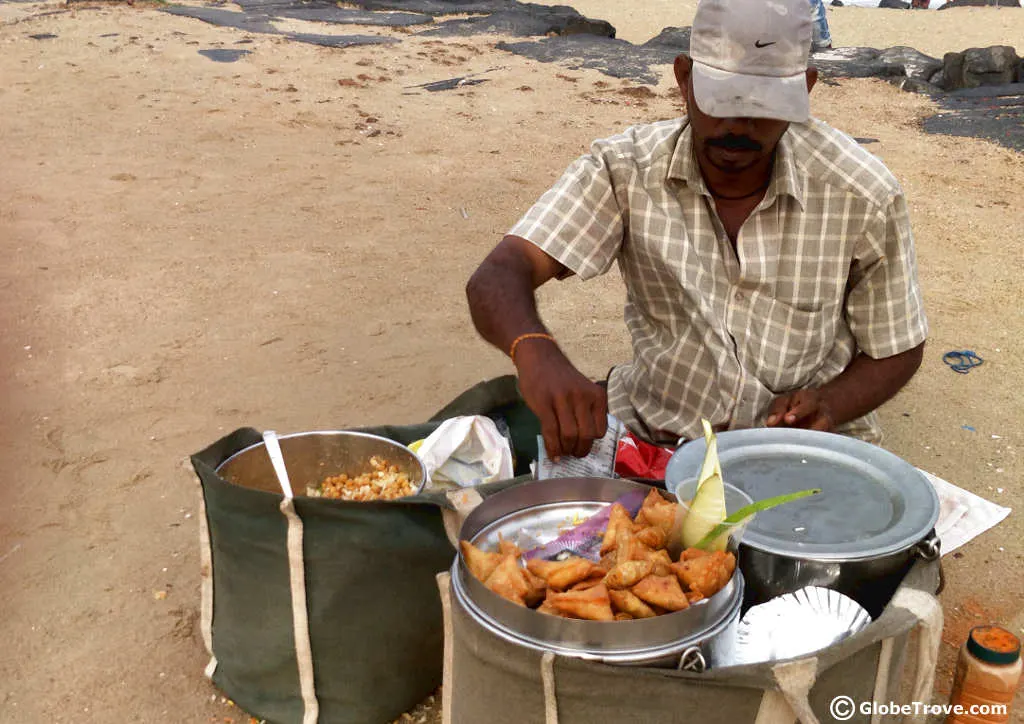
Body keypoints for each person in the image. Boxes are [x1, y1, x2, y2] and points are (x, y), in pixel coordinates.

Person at [465, 0, 927, 461]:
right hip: (657, 432)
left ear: (805, 90)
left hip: (800, 449)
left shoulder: (861, 191)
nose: (737, 127)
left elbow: (898, 346)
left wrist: (831, 403)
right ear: (683, 77)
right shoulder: (624, 169)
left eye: (763, 106)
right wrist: (535, 352)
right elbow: (502, 272)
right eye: (720, 99)